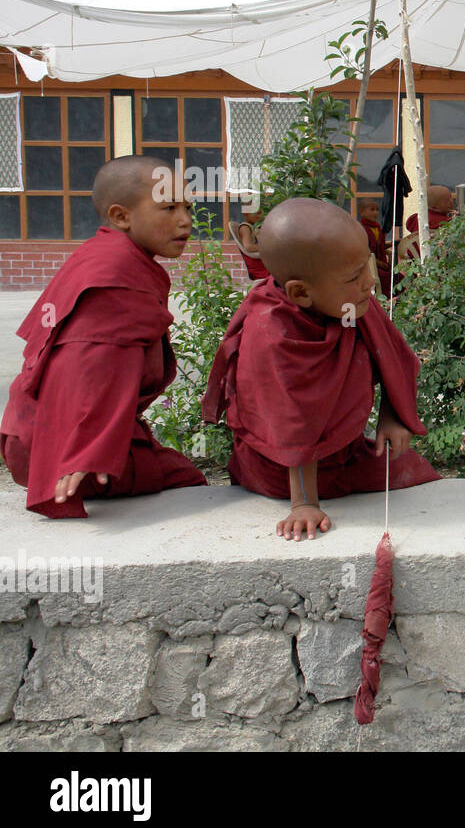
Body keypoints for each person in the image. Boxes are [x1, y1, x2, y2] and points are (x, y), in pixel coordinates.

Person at [202, 197, 440, 541]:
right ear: (301, 292)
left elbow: (391, 354)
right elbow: (291, 423)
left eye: (368, 267)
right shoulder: (272, 333)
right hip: (279, 469)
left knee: (416, 473)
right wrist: (303, 504)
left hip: (343, 453)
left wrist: (392, 415)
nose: (369, 283)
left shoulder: (347, 301)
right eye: (355, 276)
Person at [1, 155, 206, 518]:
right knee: (188, 480)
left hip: (55, 430)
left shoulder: (106, 255)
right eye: (169, 207)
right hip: (65, 439)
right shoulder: (115, 273)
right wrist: (87, 449)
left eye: (188, 206)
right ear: (120, 216)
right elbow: (88, 366)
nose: (185, 219)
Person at [357, 198, 394, 298]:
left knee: (398, 275)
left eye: (377, 210)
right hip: (369, 265)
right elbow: (365, 251)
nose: (375, 212)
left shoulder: (377, 227)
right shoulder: (361, 229)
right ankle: (386, 299)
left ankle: (395, 299)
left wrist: (391, 244)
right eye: (372, 209)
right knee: (386, 277)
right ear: (362, 212)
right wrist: (380, 263)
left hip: (381, 263)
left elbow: (379, 246)